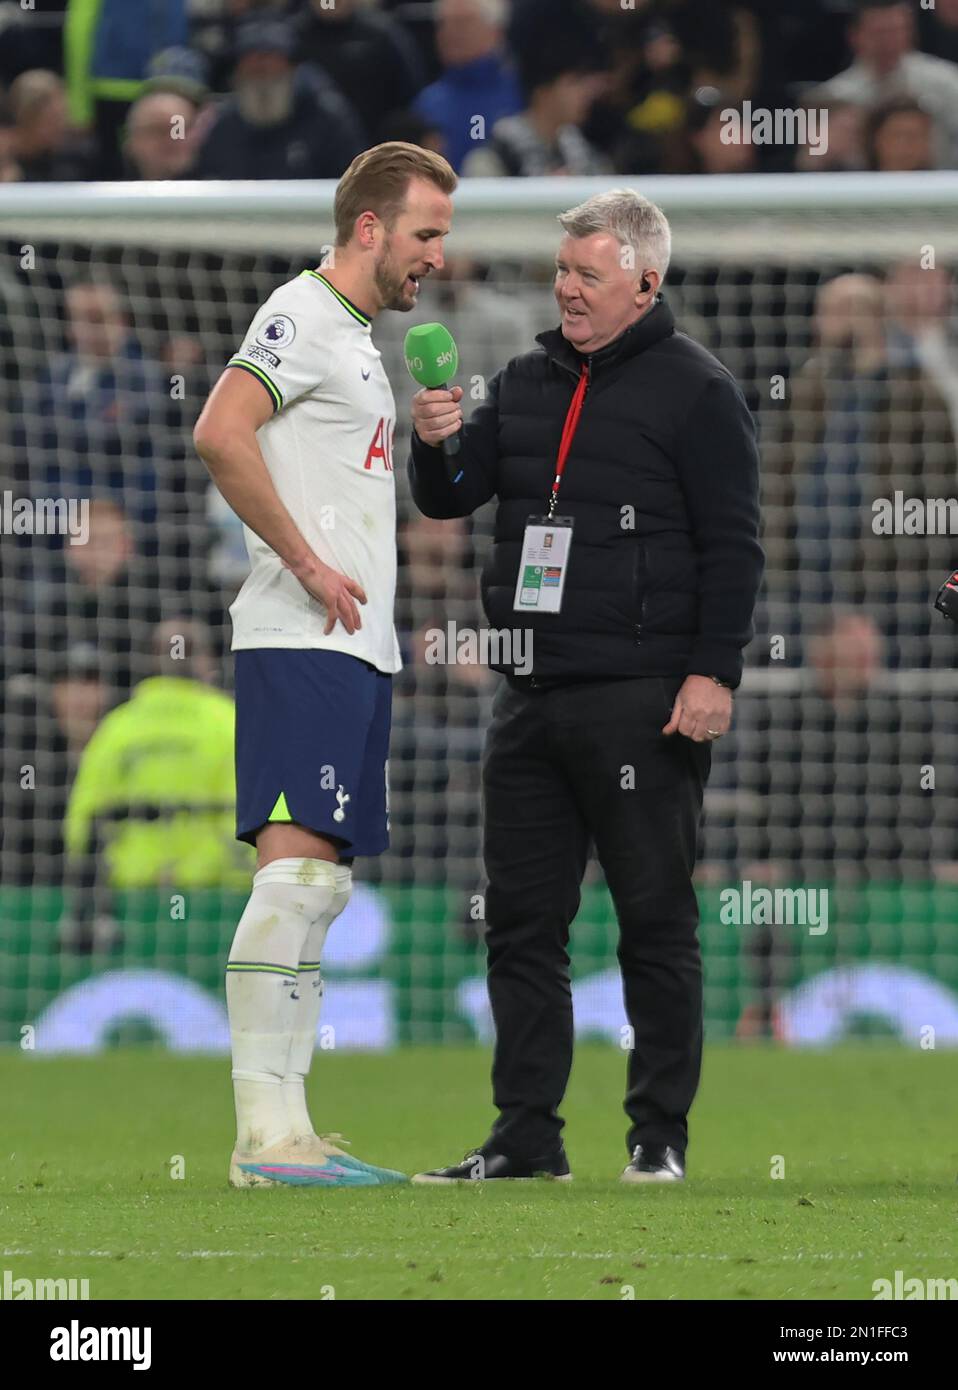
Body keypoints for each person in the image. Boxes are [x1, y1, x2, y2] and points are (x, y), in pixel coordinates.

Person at [407, 188, 763, 1183]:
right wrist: (435, 442)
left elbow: (734, 544)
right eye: (562, 270)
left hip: (643, 697)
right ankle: (527, 1137)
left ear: (645, 283)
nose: (566, 288)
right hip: (526, 695)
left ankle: (658, 1136)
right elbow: (452, 495)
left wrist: (712, 671)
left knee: (654, 918)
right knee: (520, 922)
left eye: (587, 274)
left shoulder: (697, 391)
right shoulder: (521, 379)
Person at [193, 141, 457, 1189]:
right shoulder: (300, 314)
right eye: (425, 233)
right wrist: (300, 560)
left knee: (321, 889)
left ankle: (290, 1132)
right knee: (295, 878)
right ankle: (264, 1136)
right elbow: (221, 431)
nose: (436, 256)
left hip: (354, 645)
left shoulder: (354, 340)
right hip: (299, 635)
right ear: (369, 228)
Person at [61, 621, 253, 951]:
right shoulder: (230, 723)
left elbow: (80, 824)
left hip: (130, 904)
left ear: (153, 661)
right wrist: (197, 870)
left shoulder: (117, 729)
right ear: (205, 663)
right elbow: (247, 817)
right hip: (216, 906)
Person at [192, 17, 363, 181]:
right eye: (252, 60)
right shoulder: (223, 127)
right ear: (237, 71)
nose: (261, 69)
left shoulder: (326, 120)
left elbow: (353, 186)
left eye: (271, 58)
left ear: (291, 67)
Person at [813, 0, 958, 168]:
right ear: (855, 36)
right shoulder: (833, 97)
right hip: (863, 189)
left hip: (941, 185)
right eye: (880, 32)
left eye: (897, 31)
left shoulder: (948, 81)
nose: (889, 41)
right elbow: (811, 165)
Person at [413, 0, 521, 173]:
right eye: (443, 23)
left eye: (463, 22)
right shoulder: (427, 103)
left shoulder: (523, 94)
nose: (450, 32)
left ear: (495, 31)